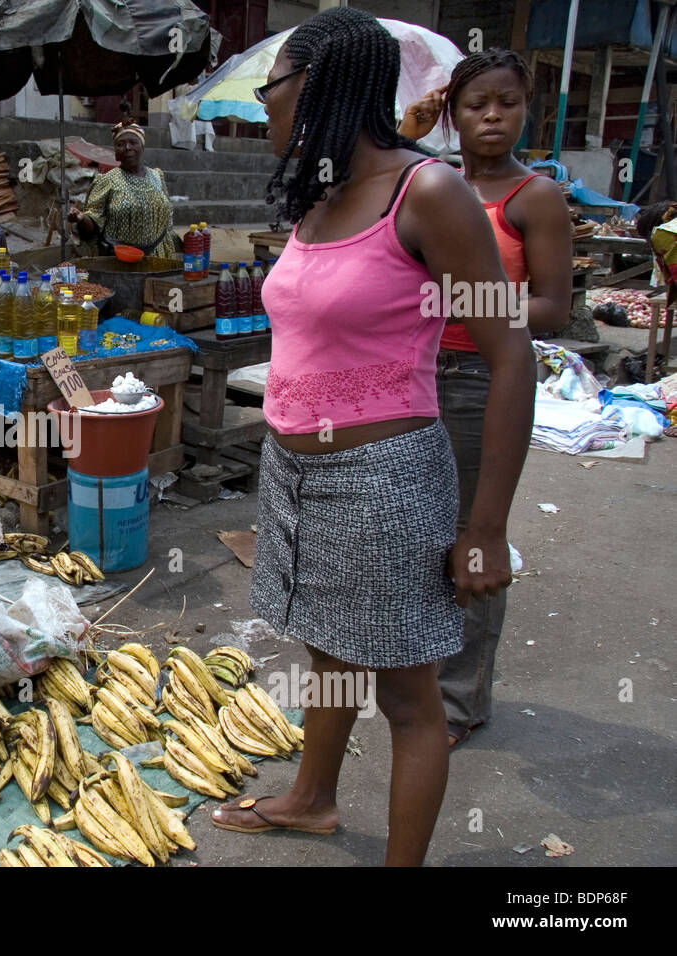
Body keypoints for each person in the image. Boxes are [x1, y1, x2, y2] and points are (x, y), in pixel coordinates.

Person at [210, 8, 534, 866]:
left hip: (384, 478)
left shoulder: (426, 192)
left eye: (270, 86)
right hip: (292, 468)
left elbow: (511, 355)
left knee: (408, 695)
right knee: (327, 644)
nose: (263, 105)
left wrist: (486, 528)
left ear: (317, 87)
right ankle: (314, 799)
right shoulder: (317, 198)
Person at [400, 51, 572, 749]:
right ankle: (415, 682)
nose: (492, 117)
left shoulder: (534, 198)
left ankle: (460, 701)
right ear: (451, 115)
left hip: (482, 384)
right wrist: (406, 133)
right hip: (413, 376)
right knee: (416, 536)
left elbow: (554, 307)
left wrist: (462, 300)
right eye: (475, 106)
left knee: (476, 533)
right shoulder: (429, 184)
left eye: (506, 102)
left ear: (527, 108)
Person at [68, 120, 176, 258]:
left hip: (157, 257)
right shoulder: (106, 181)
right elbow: (94, 225)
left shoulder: (157, 177)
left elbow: (168, 221)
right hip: (120, 259)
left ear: (142, 147)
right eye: (120, 144)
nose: (127, 147)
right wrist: (82, 219)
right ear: (116, 153)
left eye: (133, 142)